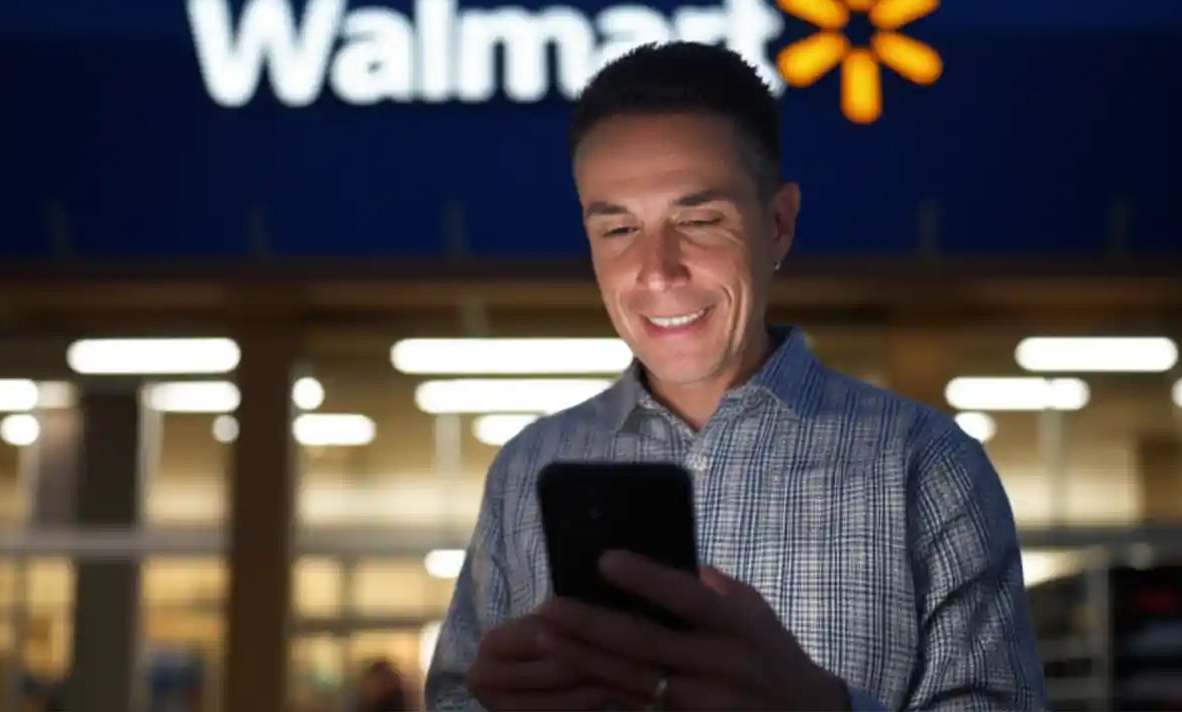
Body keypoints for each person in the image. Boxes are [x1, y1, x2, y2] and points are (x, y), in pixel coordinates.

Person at [425, 41, 1047, 711]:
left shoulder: (924, 465)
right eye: (618, 230)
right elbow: (457, 696)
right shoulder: (528, 469)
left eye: (698, 220)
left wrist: (817, 706)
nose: (657, 269)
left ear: (779, 224)